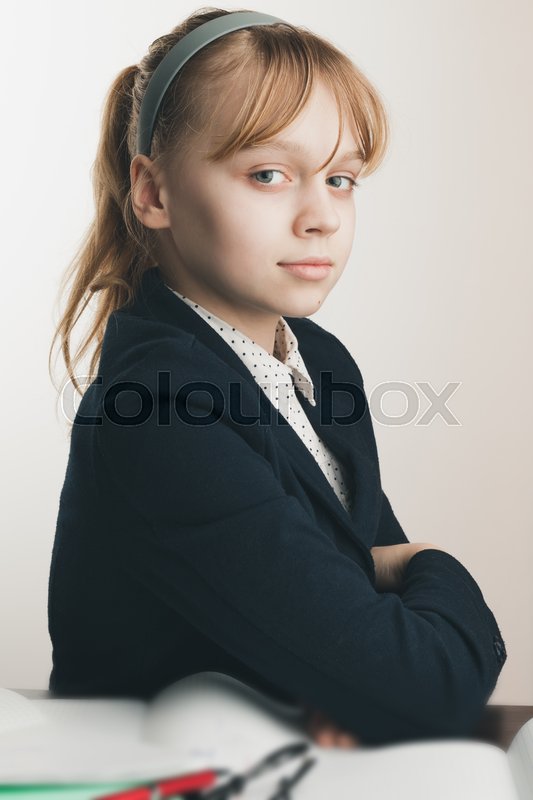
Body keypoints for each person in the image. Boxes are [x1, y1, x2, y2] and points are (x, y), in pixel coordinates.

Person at [47, 7, 507, 749]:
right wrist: (429, 560)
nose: (322, 216)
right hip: (160, 770)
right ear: (154, 192)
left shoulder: (319, 360)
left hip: (283, 755)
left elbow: (371, 634)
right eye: (268, 174)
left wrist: (357, 677)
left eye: (341, 178)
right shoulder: (161, 410)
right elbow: (425, 686)